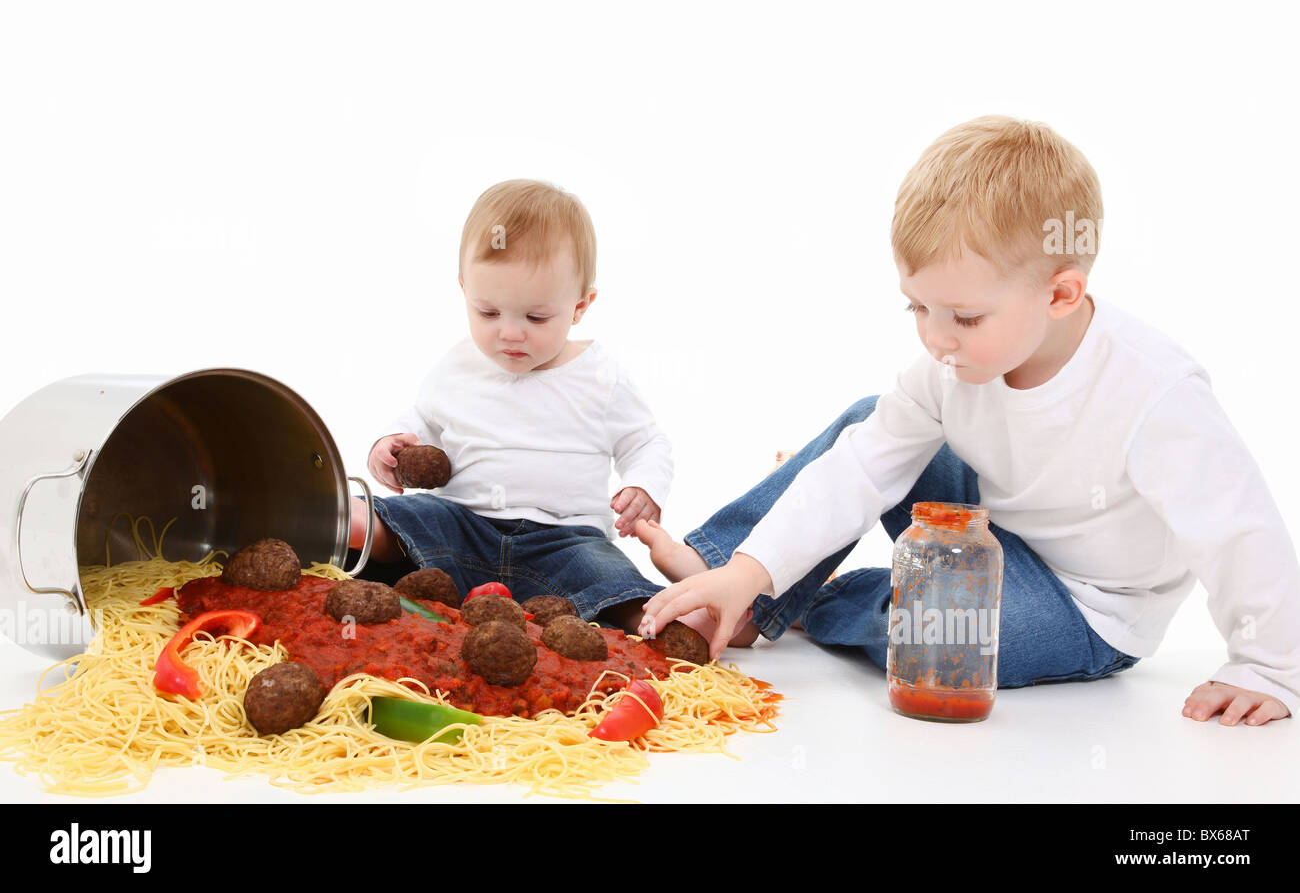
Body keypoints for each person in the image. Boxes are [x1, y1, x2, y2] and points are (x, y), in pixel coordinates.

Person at [637, 115, 1296, 727]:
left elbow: (1238, 527)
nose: (935, 338)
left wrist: (1268, 668)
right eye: (916, 309)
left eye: (965, 317)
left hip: (1087, 607)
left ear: (1060, 294)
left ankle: (815, 599)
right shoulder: (948, 368)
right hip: (985, 528)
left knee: (945, 647)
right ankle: (734, 577)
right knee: (872, 425)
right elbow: (863, 469)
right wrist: (755, 568)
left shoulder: (1154, 390)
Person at [352, 178, 676, 634]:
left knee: (609, 579)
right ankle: (337, 523)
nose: (509, 333)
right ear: (464, 289)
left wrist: (645, 485)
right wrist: (390, 444)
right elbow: (423, 419)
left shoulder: (602, 376)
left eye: (536, 317)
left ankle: (654, 618)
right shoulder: (459, 363)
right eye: (488, 313)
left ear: (581, 305)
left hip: (564, 544)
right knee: (403, 518)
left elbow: (647, 442)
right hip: (463, 525)